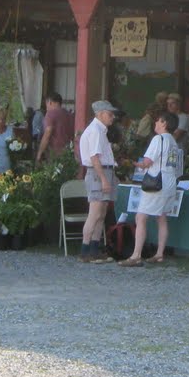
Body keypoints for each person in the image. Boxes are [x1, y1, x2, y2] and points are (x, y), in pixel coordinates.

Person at [123, 110, 183, 267]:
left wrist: (134, 164)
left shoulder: (159, 139)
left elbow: (148, 161)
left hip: (156, 182)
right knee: (161, 217)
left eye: (158, 120)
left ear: (164, 123)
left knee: (141, 217)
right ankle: (159, 253)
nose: (155, 123)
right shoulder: (173, 142)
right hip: (170, 182)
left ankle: (136, 255)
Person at [78, 99, 119, 259]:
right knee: (94, 213)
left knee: (101, 213)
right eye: (110, 114)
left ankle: (94, 248)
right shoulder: (95, 130)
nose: (112, 117)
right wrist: (103, 179)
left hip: (103, 172)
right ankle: (85, 248)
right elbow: (94, 157)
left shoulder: (100, 130)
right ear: (100, 114)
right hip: (98, 173)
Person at [35, 92, 75, 164]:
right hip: (69, 152)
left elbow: (48, 133)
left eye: (46, 104)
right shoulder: (69, 115)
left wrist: (39, 153)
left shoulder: (50, 114)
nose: (46, 107)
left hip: (55, 153)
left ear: (49, 102)